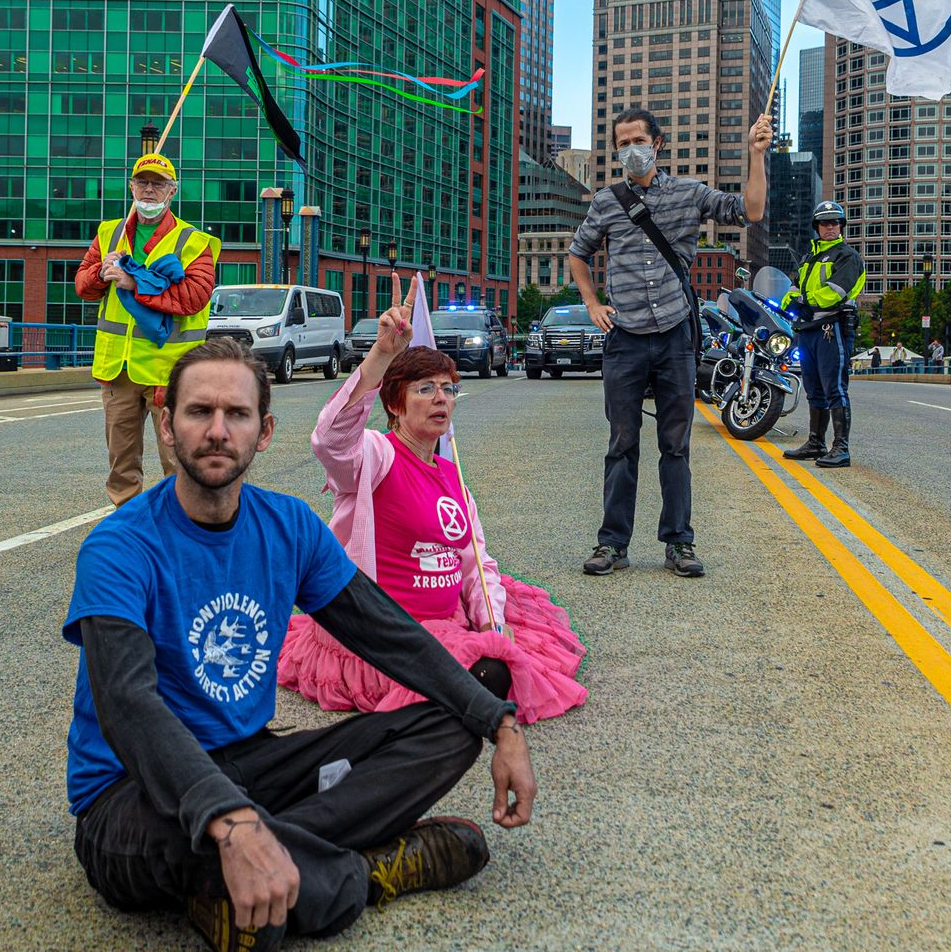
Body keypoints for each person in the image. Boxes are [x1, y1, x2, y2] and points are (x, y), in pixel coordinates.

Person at [64, 336, 536, 950]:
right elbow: (129, 705)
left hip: (248, 762)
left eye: (236, 414)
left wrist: (500, 722)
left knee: (449, 727)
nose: (217, 431)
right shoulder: (119, 547)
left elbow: (390, 636)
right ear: (167, 425)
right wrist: (226, 819)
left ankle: (262, 866)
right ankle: (364, 872)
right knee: (198, 845)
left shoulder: (288, 527)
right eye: (199, 411)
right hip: (131, 792)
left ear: (263, 432)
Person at [280, 274, 587, 725]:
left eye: (448, 388)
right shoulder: (375, 455)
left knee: (499, 664)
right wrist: (381, 354)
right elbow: (330, 439)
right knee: (478, 682)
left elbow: (476, 563)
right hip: (387, 634)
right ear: (395, 404)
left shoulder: (452, 475)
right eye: (425, 388)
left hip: (449, 625)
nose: (441, 398)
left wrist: (492, 626)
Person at [568, 106, 772, 579]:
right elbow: (578, 253)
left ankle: (679, 542)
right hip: (625, 337)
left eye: (638, 140)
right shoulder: (606, 201)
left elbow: (751, 211)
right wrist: (592, 303)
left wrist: (756, 154)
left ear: (657, 144)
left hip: (675, 334)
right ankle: (612, 543)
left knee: (675, 444)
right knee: (621, 443)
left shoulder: (688, 193)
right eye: (622, 144)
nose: (631, 150)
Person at [75, 152, 220, 505]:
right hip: (118, 369)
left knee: (179, 461)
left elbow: (195, 296)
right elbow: (83, 286)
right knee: (121, 464)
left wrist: (135, 283)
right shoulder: (109, 233)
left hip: (169, 372)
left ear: (173, 191)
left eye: (158, 183)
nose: (149, 189)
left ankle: (184, 526)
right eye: (142, 182)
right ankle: (127, 524)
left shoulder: (193, 240)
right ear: (131, 187)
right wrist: (101, 272)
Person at [781, 201, 866, 469]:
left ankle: (841, 448)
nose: (830, 227)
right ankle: (816, 442)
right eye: (824, 223)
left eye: (835, 222)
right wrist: (795, 302)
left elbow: (836, 291)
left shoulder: (848, 256)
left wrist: (806, 302)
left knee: (835, 388)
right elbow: (791, 291)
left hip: (833, 328)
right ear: (816, 227)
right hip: (808, 330)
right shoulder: (808, 258)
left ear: (841, 226)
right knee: (814, 388)